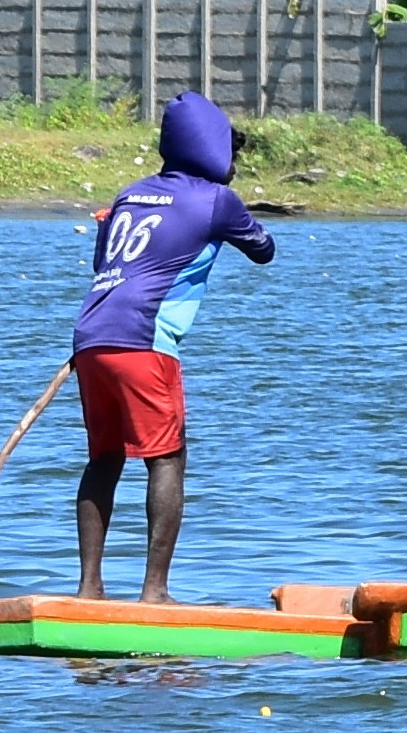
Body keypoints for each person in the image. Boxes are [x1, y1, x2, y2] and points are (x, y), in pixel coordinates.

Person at [72, 93, 275, 599]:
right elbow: (264, 250)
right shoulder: (215, 200)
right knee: (166, 459)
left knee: (105, 459)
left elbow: (105, 265)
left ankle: (89, 590)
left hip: (91, 335)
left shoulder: (129, 194)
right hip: (145, 339)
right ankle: (154, 592)